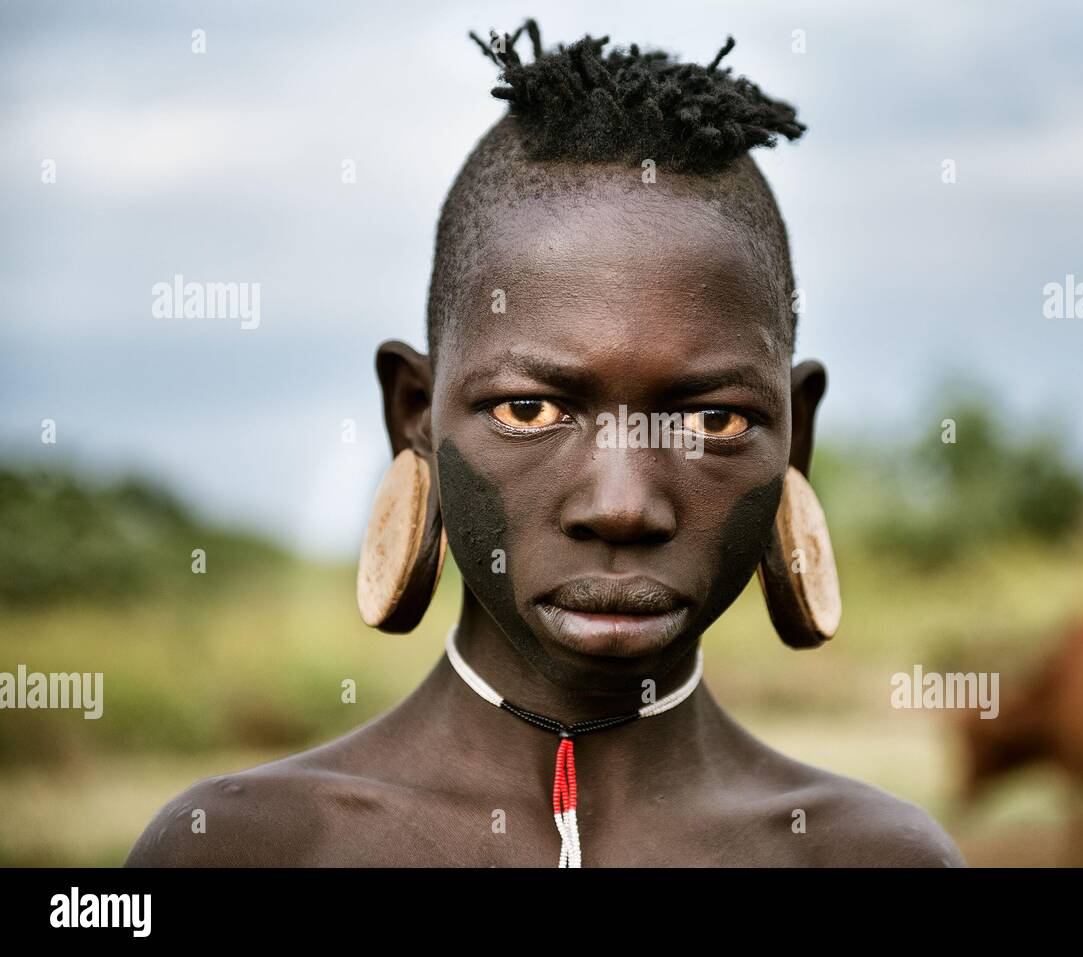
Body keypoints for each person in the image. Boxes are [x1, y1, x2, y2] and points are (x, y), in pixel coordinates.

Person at [126, 20, 964, 867]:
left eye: (710, 420)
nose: (622, 505)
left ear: (797, 437)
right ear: (413, 412)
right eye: (531, 409)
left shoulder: (873, 858)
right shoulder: (243, 850)